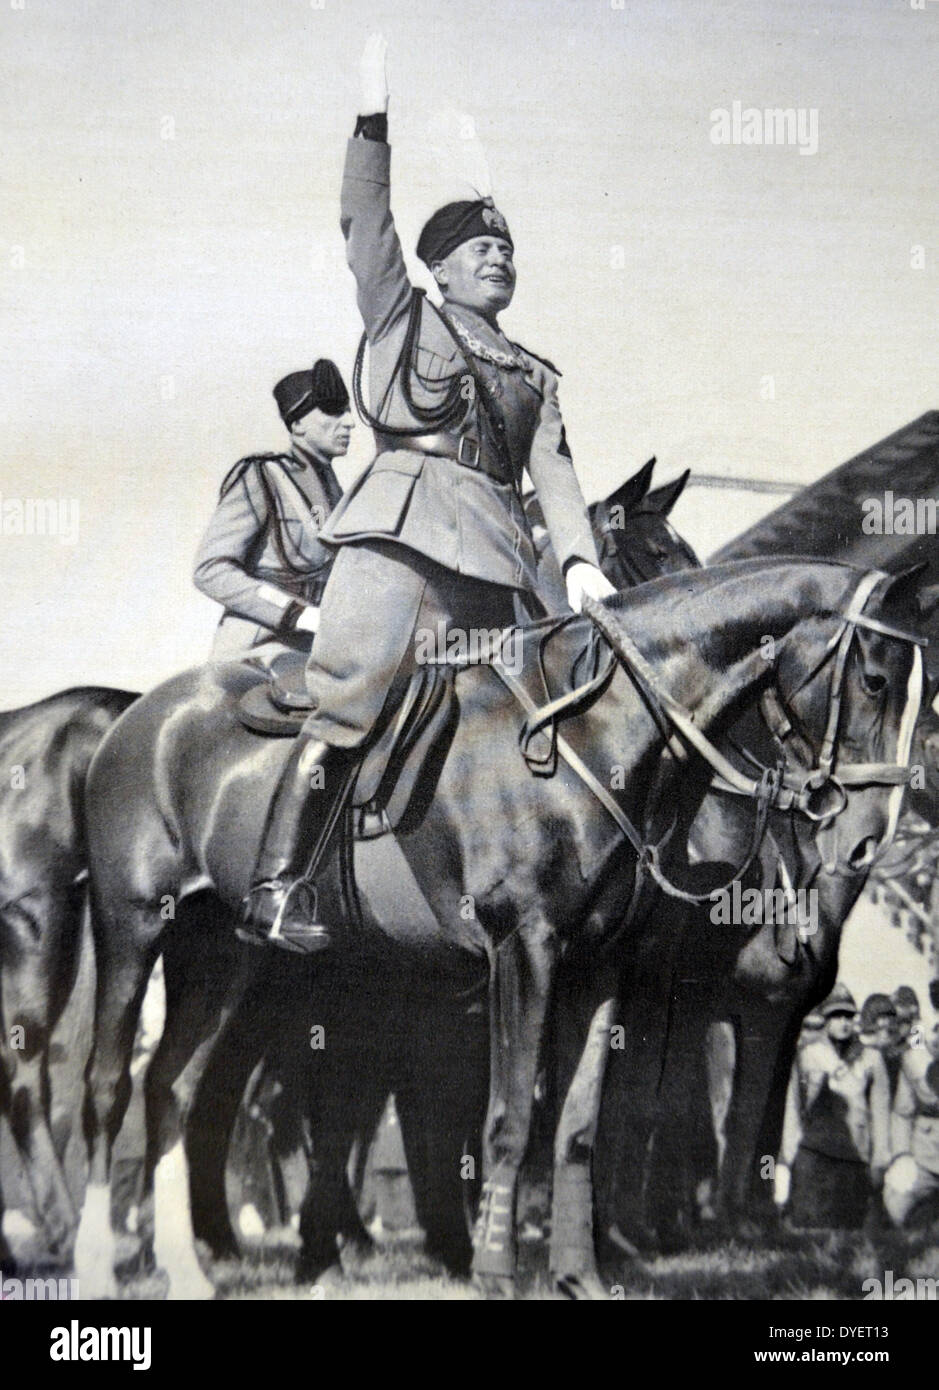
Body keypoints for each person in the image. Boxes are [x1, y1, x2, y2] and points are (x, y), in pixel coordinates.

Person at [240, 35, 614, 951]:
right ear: (440, 268)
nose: (496, 258)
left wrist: (579, 561)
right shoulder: (405, 316)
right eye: (478, 249)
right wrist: (372, 125)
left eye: (505, 250)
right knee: (352, 695)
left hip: (497, 561)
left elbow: (554, 475)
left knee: (523, 716)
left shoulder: (534, 372)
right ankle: (280, 884)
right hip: (397, 537)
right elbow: (366, 226)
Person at [193, 360, 352, 670]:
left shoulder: (337, 493)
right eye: (333, 411)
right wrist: (294, 613)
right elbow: (209, 569)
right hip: (257, 648)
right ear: (297, 425)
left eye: (346, 411)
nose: (348, 422)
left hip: (315, 648)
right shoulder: (261, 478)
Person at [777, 984, 890, 1229]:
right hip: (816, 1155)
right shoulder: (808, 1055)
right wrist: (790, 1154)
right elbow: (792, 1107)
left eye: (849, 1016)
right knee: (810, 1227)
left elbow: (881, 1114)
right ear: (826, 1020)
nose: (844, 1022)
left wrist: (880, 1161)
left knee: (852, 1228)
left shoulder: (871, 1058)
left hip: (855, 1159)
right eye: (836, 1016)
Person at [883, 1020, 939, 1226]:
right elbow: (902, 1113)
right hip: (926, 1154)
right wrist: (902, 1155)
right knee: (896, 1201)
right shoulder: (918, 1051)